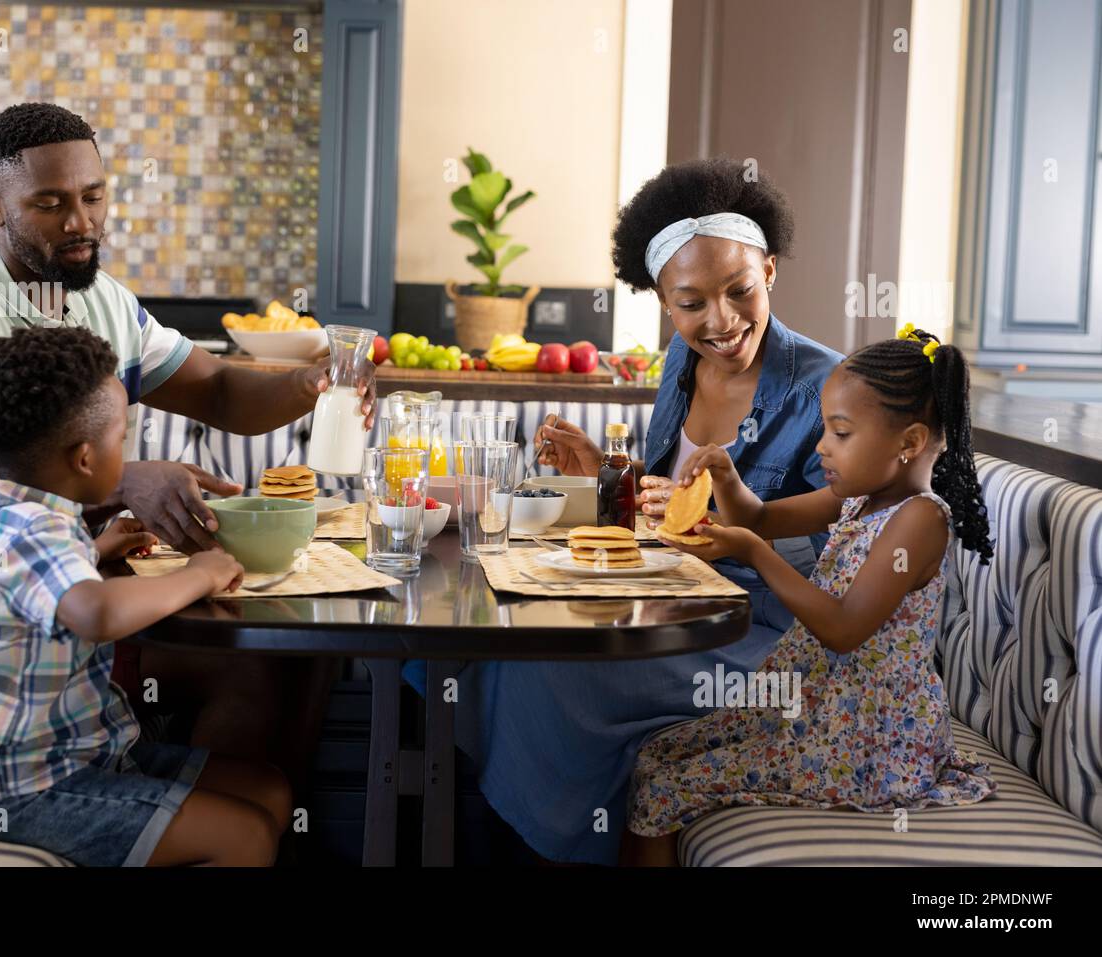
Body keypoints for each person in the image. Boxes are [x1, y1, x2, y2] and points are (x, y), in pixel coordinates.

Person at [0, 103, 374, 795]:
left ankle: (248, 829)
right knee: (253, 663)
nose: (81, 221)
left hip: (84, 584)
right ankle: (206, 828)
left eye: (93, 196)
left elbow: (221, 395)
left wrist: (309, 384)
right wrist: (127, 482)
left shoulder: (103, 300)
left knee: (304, 652)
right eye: (51, 203)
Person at [425, 158, 844, 864]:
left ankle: (542, 847)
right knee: (492, 642)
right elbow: (667, 514)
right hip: (674, 606)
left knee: (543, 668)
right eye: (691, 302)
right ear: (661, 299)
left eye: (740, 289)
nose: (721, 320)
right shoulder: (679, 366)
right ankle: (495, 832)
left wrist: (735, 530)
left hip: (764, 640)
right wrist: (611, 478)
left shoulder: (827, 386)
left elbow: (843, 562)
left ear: (769, 270)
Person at [623, 327, 997, 865]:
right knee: (654, 754)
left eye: (840, 433)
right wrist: (726, 475)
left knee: (664, 787)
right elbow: (759, 517)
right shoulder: (861, 497)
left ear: (910, 442)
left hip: (871, 738)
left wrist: (754, 553)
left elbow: (844, 628)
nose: (822, 445)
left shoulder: (919, 519)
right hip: (817, 705)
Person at [0, 326, 291, 866]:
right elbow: (94, 613)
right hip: (22, 788)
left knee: (267, 789)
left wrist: (95, 550)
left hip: (90, 752)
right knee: (245, 837)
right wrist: (200, 574)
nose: (126, 452)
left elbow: (21, 585)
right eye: (122, 439)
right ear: (83, 459)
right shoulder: (35, 532)